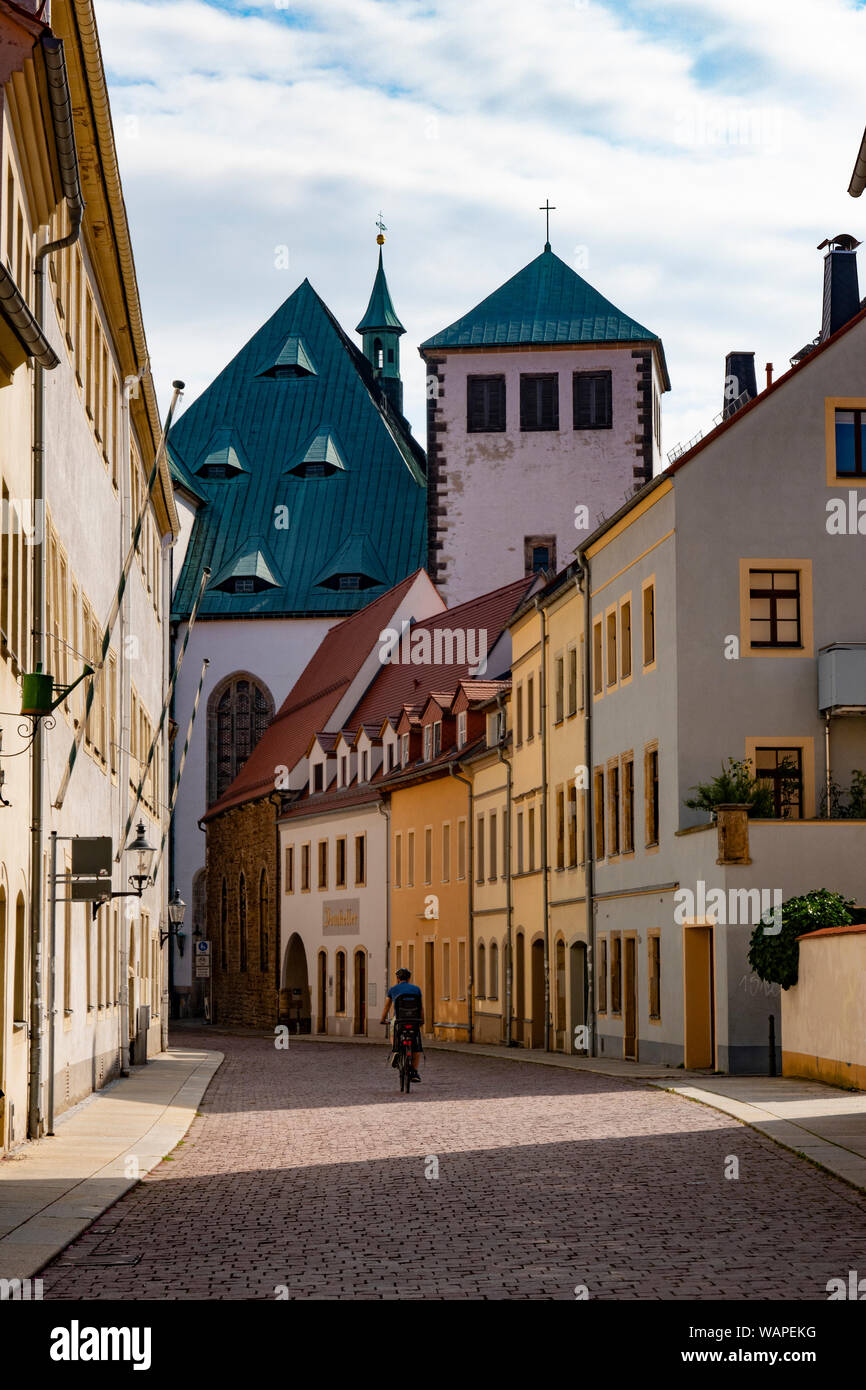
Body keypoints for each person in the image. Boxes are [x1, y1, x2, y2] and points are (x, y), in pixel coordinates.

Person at [380, 967, 424, 1082]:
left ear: (398, 978)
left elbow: (387, 1006)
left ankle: (396, 1049)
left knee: (392, 1032)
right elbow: (421, 1008)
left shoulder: (393, 989)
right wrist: (422, 1021)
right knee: (416, 1045)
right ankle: (414, 1071)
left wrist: (382, 1019)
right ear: (409, 978)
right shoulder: (416, 989)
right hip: (414, 1020)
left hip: (399, 1020)